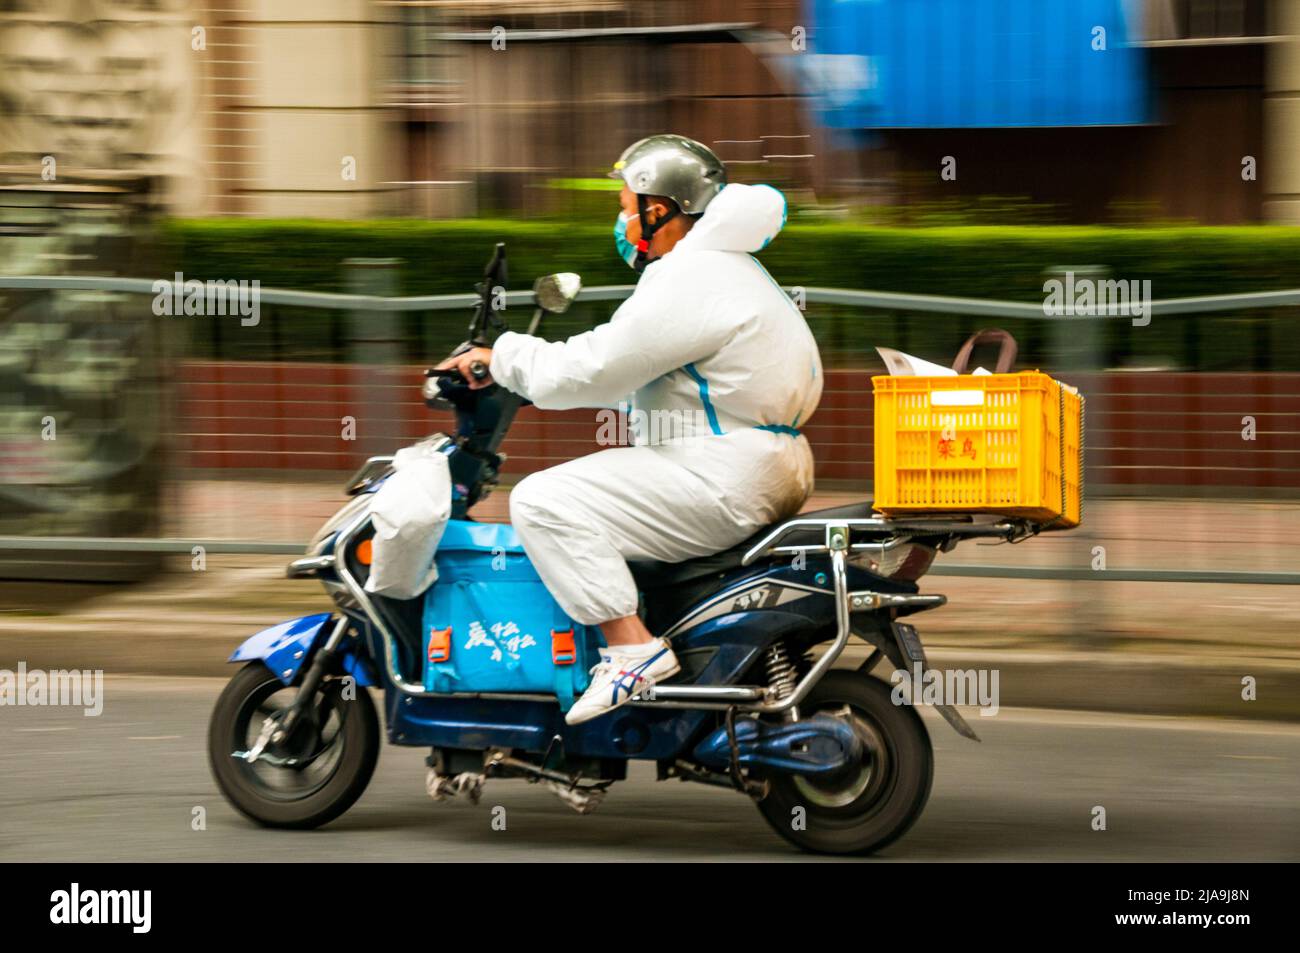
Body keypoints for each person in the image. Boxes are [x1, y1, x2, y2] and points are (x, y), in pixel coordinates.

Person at [438, 134, 823, 724]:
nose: (621, 221)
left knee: (545, 499)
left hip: (722, 473)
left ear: (659, 209)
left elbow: (596, 366)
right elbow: (652, 374)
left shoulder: (691, 275)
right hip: (751, 462)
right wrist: (547, 378)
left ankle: (631, 649)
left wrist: (503, 357)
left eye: (625, 207)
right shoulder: (733, 270)